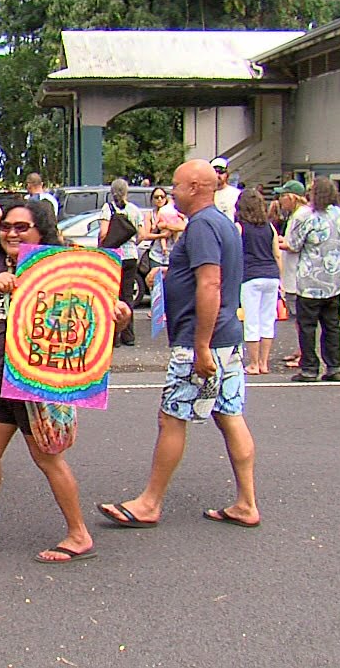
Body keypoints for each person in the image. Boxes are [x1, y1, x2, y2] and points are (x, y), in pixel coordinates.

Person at [0, 201, 132, 562]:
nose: (12, 233)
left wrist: (119, 316)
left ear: (40, 230)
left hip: (32, 383)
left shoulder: (59, 269)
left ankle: (79, 535)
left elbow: (94, 316)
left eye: (22, 227)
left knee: (49, 459)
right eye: (7, 226)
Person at [96, 158, 259, 532]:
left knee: (171, 417)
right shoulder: (219, 223)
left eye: (178, 186)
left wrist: (201, 346)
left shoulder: (202, 226)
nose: (172, 193)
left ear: (196, 188)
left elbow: (210, 284)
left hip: (203, 340)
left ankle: (150, 503)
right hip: (227, 338)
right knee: (229, 414)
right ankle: (247, 502)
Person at [281, 177, 340, 382]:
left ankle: (309, 367)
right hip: (334, 277)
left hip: (310, 279)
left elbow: (294, 244)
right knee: (332, 325)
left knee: (307, 326)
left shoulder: (305, 216)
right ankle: (334, 365)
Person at [237, 187, 281, 375]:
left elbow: (235, 253)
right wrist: (281, 280)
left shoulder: (240, 227)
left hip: (250, 275)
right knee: (267, 320)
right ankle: (264, 362)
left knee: (252, 320)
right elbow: (277, 254)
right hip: (271, 275)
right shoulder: (269, 227)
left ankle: (253, 363)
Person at [99, 178, 145, 347]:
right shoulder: (135, 210)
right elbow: (142, 234)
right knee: (127, 295)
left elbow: (104, 233)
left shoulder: (108, 208)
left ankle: (114, 337)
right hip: (130, 256)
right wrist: (131, 243)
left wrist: (104, 245)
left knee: (112, 295)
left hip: (113, 256)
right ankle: (129, 335)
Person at [274, 180, 307, 368]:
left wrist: (276, 242)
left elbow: (294, 245)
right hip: (291, 274)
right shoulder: (295, 216)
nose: (280, 201)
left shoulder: (300, 217)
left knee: (300, 317)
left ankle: (304, 352)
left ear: (292, 197)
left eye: (282, 196)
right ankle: (300, 349)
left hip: (296, 275)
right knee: (296, 317)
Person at [211, 157, 241, 223]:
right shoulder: (206, 194)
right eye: (214, 172)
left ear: (227, 174)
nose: (217, 175)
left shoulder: (236, 194)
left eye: (221, 172)